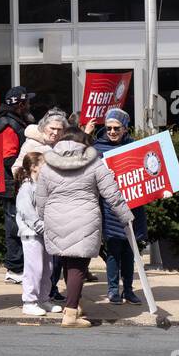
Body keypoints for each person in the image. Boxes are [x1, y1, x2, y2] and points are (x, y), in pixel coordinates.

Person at [37, 126, 134, 328]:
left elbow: (41, 198)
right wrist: (126, 216)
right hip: (84, 217)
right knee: (78, 266)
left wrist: (44, 217)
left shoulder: (48, 166)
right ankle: (71, 314)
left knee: (66, 261)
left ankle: (74, 304)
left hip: (55, 217)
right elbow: (112, 194)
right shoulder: (94, 164)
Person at [89, 108, 147, 304]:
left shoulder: (134, 146)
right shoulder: (97, 148)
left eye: (116, 128)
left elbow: (146, 173)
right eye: (109, 128)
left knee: (130, 252)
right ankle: (113, 289)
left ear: (125, 128)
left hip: (133, 206)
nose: (112, 132)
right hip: (109, 209)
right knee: (113, 251)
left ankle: (128, 289)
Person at [15, 108, 70, 299]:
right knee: (36, 264)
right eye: (52, 128)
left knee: (52, 261)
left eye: (60, 130)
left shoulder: (64, 147)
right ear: (44, 127)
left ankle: (48, 293)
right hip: (36, 211)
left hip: (58, 208)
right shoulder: (31, 144)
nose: (55, 132)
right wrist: (32, 182)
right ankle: (32, 298)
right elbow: (17, 169)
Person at [0, 86, 35, 285]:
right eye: (27, 102)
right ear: (20, 104)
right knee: (13, 223)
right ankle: (15, 267)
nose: (29, 105)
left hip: (14, 182)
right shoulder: (8, 125)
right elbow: (8, 158)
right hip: (11, 183)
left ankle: (18, 265)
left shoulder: (13, 121)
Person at [14, 152, 61, 316]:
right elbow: (29, 214)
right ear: (34, 167)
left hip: (44, 234)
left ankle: (43, 299)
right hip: (32, 235)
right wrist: (43, 228)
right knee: (34, 269)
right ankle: (29, 301)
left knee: (47, 268)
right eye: (44, 164)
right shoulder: (26, 188)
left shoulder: (41, 186)